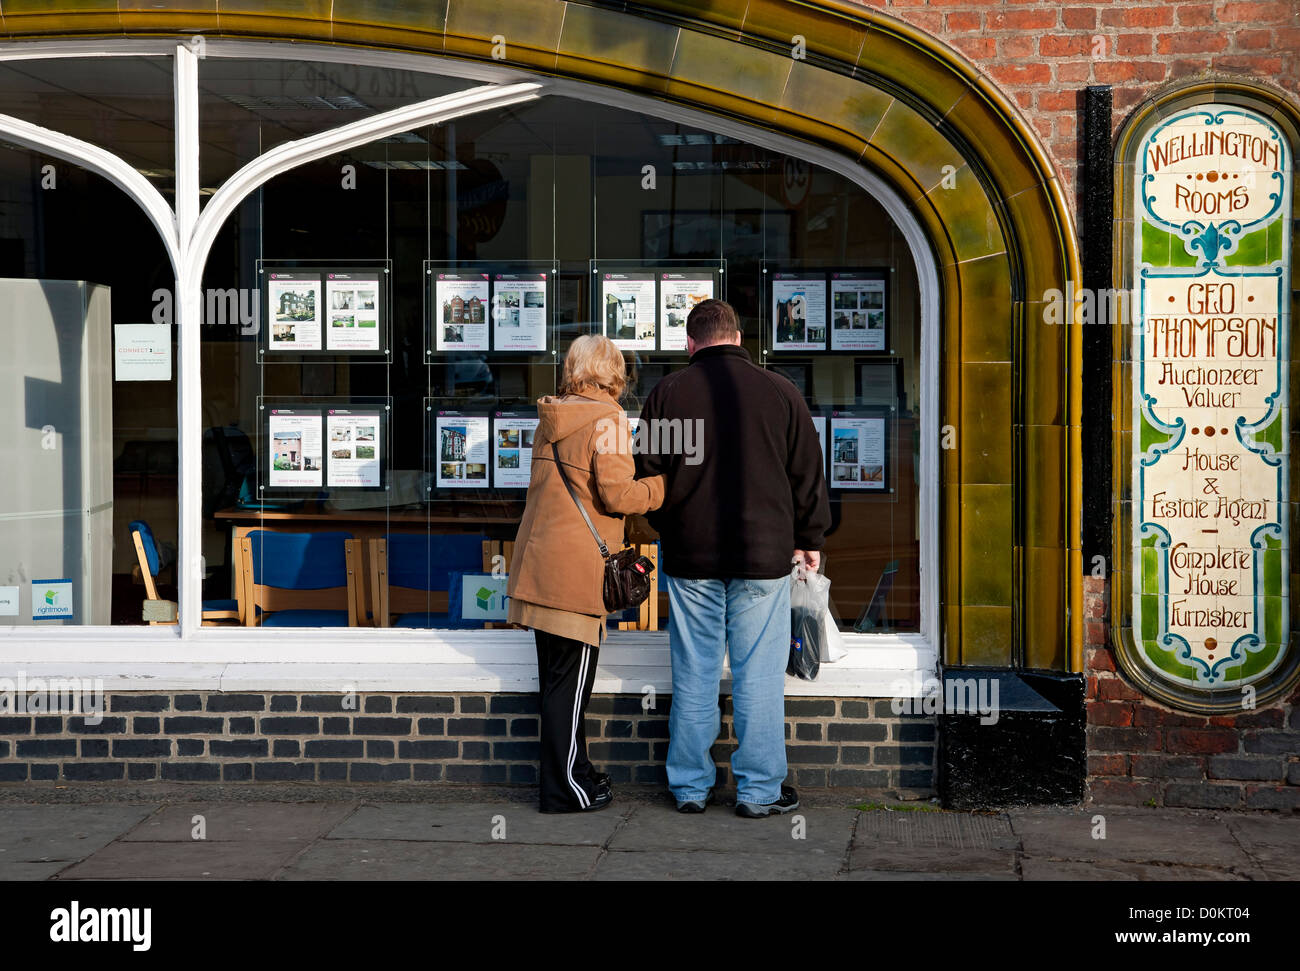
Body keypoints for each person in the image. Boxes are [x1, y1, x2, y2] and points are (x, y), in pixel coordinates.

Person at [636, 299, 830, 818]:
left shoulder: (668, 393)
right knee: (758, 676)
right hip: (763, 556)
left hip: (691, 556)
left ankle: (690, 788)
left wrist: (670, 527)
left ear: (690, 343)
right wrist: (809, 536)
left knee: (695, 672)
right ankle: (759, 792)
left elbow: (648, 478)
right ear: (740, 339)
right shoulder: (781, 392)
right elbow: (807, 474)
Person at [508, 335, 666, 814]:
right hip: (575, 574)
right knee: (571, 692)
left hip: (539, 566)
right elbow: (618, 496)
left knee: (557, 687)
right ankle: (564, 791)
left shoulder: (552, 417)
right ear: (613, 371)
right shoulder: (609, 420)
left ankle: (576, 775)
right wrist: (662, 486)